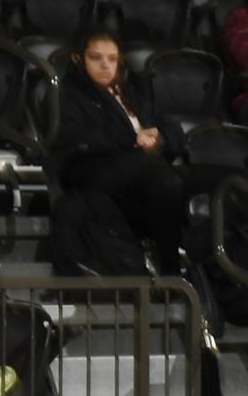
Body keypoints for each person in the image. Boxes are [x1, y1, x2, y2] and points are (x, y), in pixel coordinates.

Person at [50, 28, 190, 275]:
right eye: (96, 58)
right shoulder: (67, 95)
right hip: (98, 171)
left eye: (112, 59)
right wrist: (133, 139)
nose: (105, 65)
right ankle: (171, 267)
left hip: (148, 167)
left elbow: (171, 126)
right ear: (78, 59)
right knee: (165, 180)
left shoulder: (134, 91)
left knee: (224, 180)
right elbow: (76, 140)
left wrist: (162, 138)